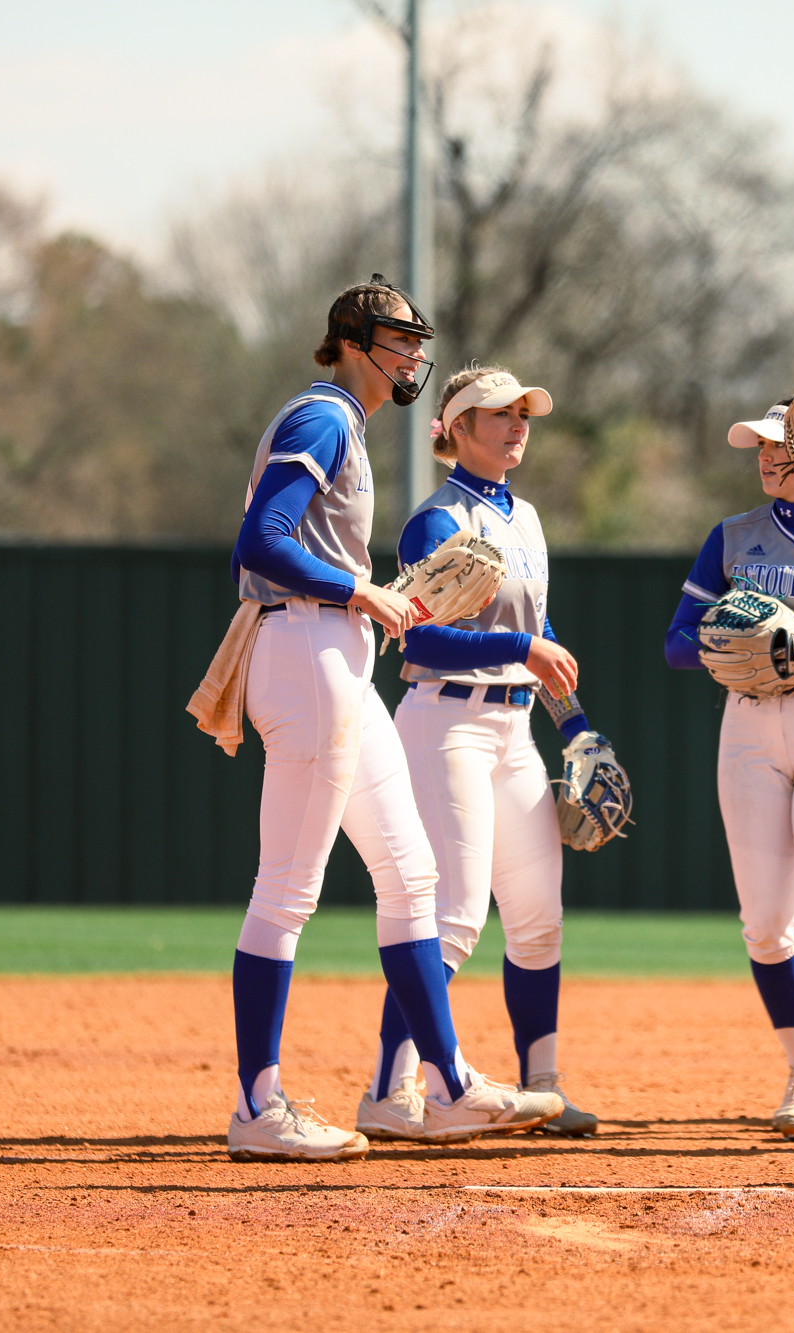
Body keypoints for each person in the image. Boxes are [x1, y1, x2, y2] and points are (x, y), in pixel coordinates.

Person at [224, 280, 560, 1161]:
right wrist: (359, 588)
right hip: (307, 646)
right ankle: (257, 1105)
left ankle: (441, 1087)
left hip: (333, 650)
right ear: (350, 340)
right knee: (287, 889)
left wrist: (358, 599)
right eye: (399, 339)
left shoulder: (346, 423)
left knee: (413, 878)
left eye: (418, 341)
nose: (414, 355)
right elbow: (260, 541)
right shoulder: (324, 417)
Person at [354, 365, 604, 1142]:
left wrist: (577, 729)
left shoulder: (525, 517)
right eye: (499, 413)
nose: (517, 424)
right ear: (456, 427)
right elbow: (419, 639)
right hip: (446, 723)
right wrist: (521, 646)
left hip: (515, 727)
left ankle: (543, 1088)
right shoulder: (436, 520)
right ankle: (390, 1089)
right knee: (453, 917)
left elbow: (542, 636)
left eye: (524, 413)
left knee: (537, 918)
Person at [663, 400, 794, 1140]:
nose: (767, 456)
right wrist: (729, 643)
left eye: (780, 444)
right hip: (748, 724)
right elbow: (677, 642)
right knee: (764, 927)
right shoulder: (733, 535)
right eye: (759, 447)